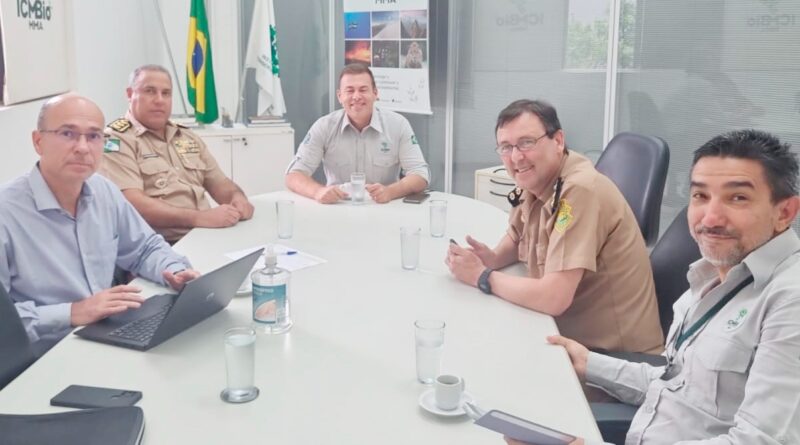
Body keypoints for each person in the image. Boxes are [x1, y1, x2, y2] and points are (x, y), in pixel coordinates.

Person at [518, 129, 800, 445]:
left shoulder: (789, 300)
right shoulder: (711, 274)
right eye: (700, 196)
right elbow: (677, 381)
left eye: (738, 198)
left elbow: (761, 441)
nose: (711, 217)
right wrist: (590, 364)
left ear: (784, 212)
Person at [447, 99, 663, 355]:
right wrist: (493, 258)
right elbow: (518, 236)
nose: (516, 157)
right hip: (564, 334)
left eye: (527, 142)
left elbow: (554, 297)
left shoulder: (579, 192)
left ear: (558, 141)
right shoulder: (537, 178)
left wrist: (482, 276)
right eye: (506, 147)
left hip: (610, 359)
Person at [0, 94, 200, 356]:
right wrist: (72, 312)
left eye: (94, 136)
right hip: (44, 357)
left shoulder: (103, 190)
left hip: (107, 335)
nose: (83, 147)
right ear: (38, 141)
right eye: (68, 134)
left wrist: (173, 270)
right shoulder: (7, 213)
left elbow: (144, 248)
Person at [99, 64, 254, 243]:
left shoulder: (186, 136)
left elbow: (220, 183)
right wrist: (200, 218)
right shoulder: (115, 140)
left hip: (206, 234)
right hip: (158, 247)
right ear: (129, 94)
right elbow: (132, 203)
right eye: (150, 91)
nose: (159, 100)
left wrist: (237, 198)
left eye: (166, 93)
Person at [285, 63, 430, 204]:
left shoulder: (398, 125)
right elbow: (294, 175)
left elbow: (420, 175)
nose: (356, 96)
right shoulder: (324, 127)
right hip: (337, 209)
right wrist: (318, 191)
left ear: (375, 93)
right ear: (339, 96)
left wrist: (390, 192)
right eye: (349, 90)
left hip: (384, 209)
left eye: (363, 89)